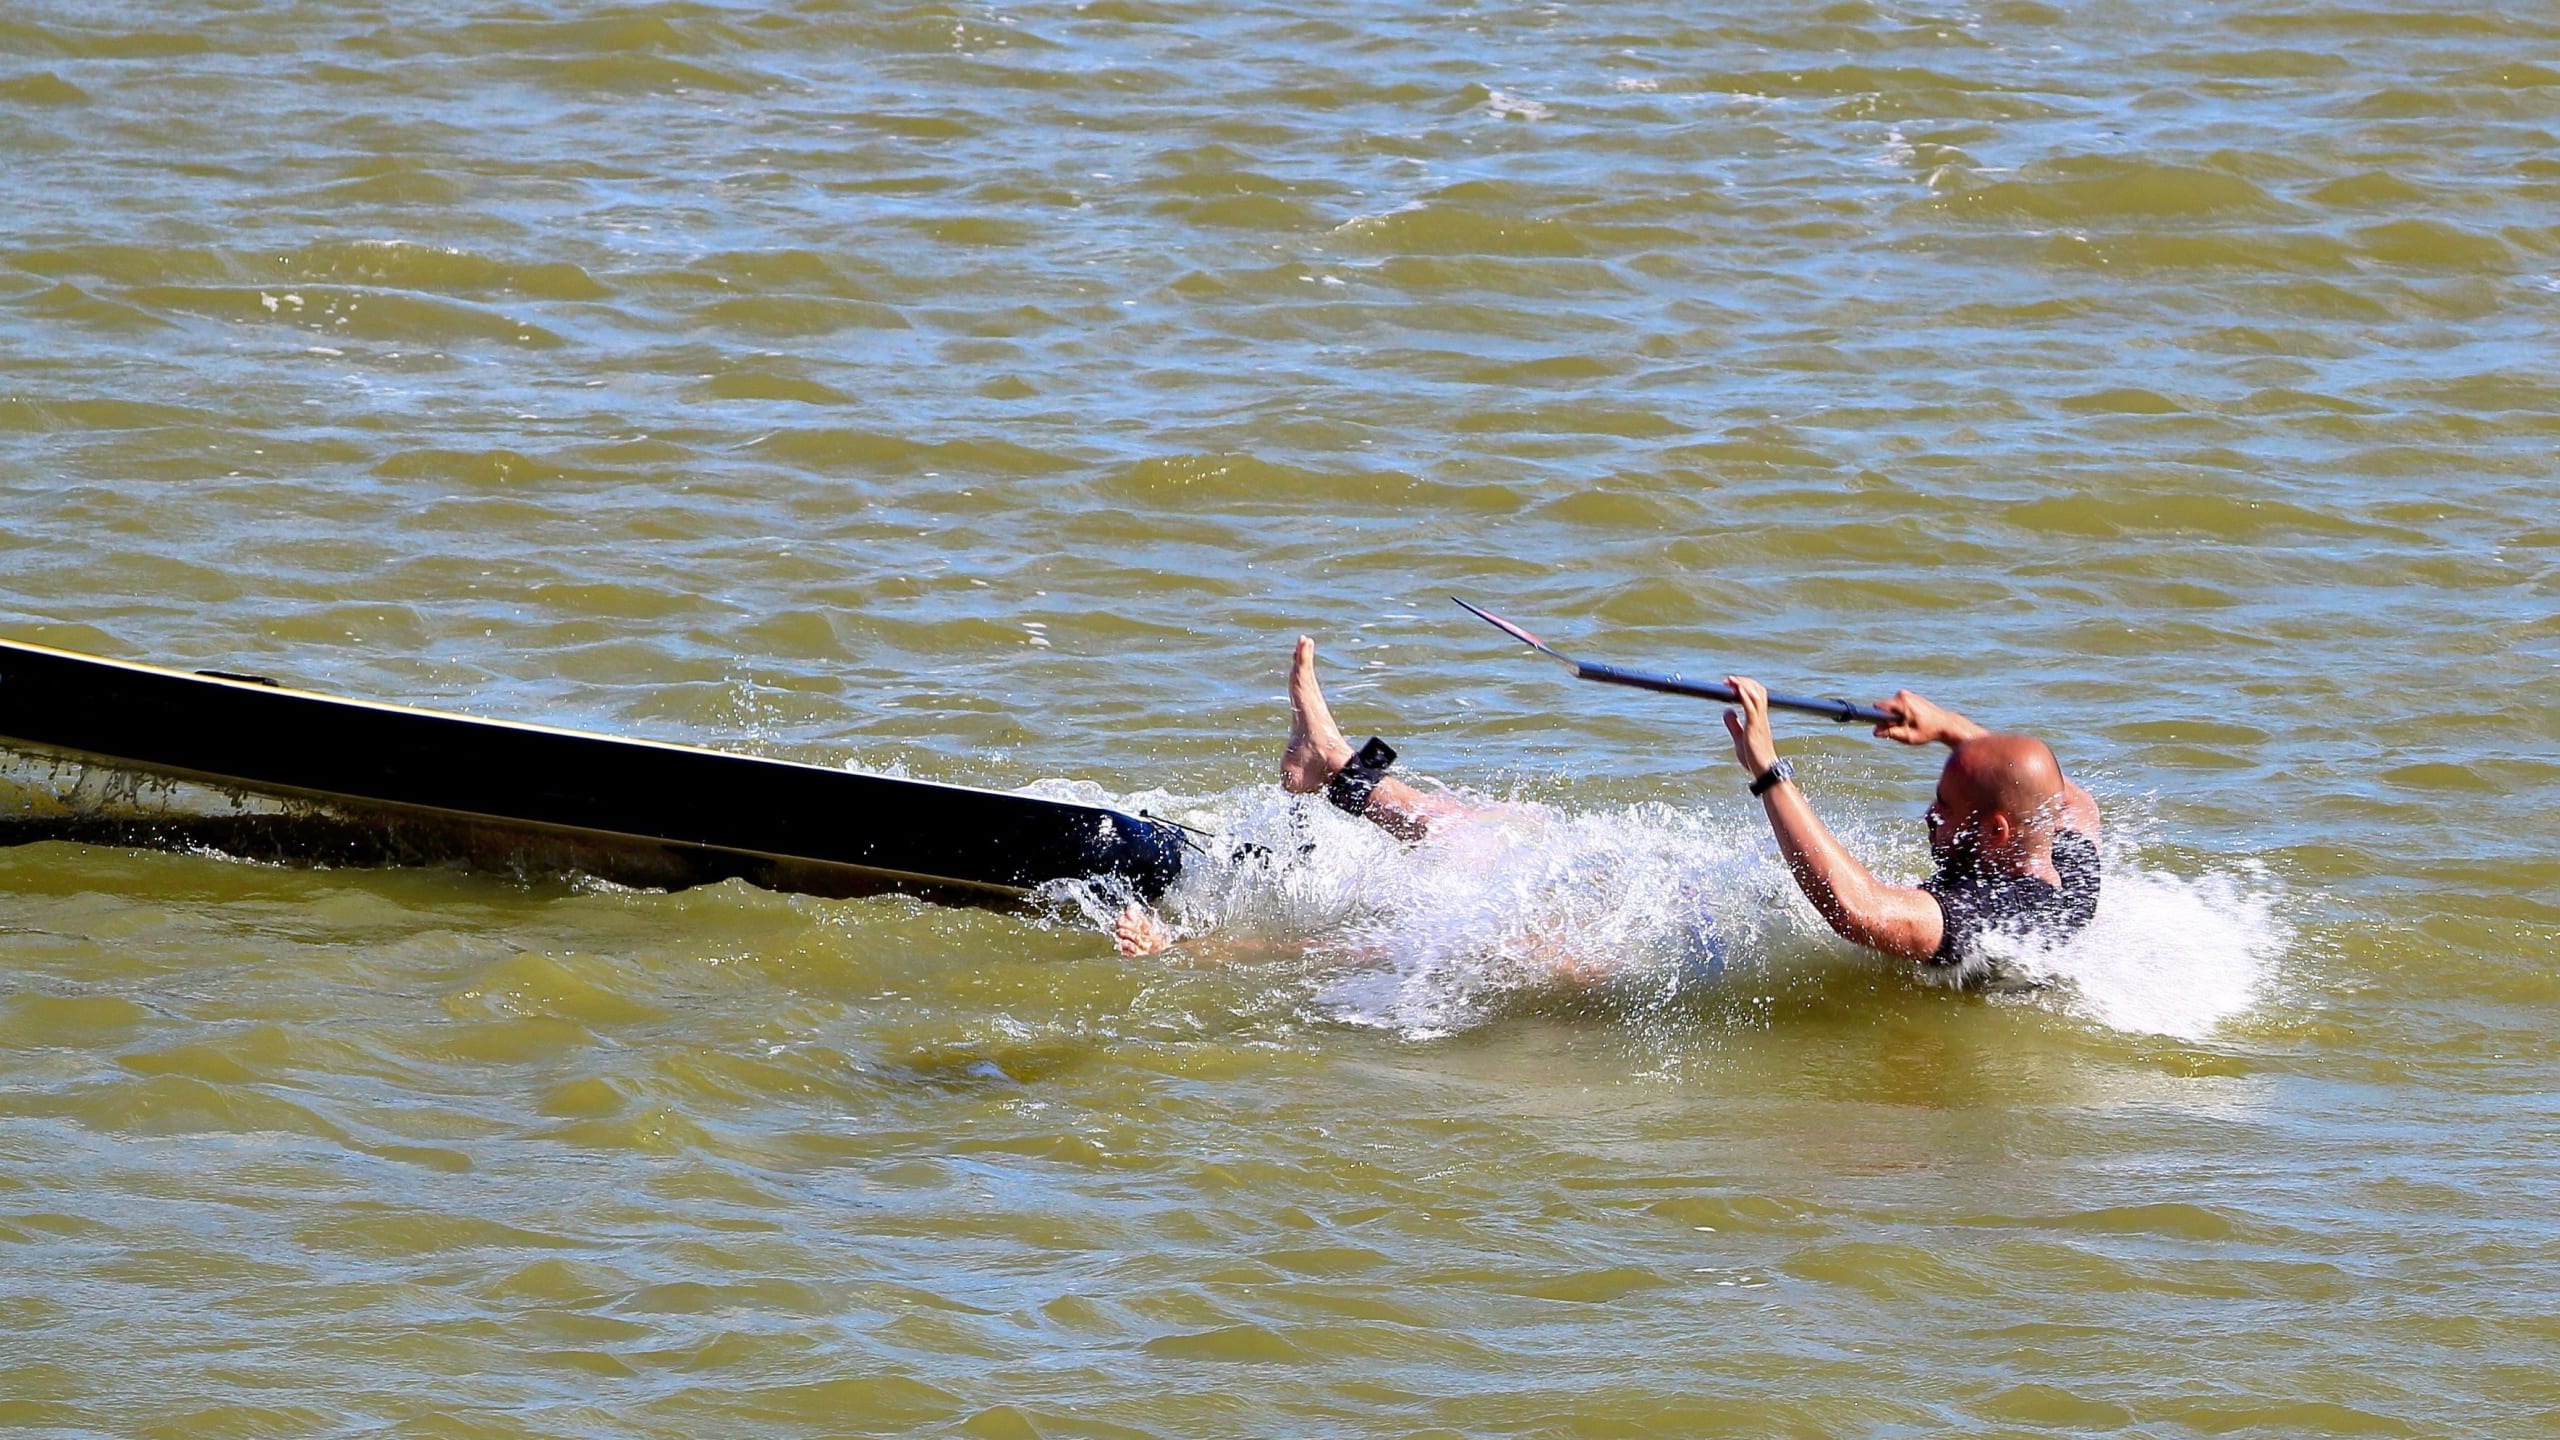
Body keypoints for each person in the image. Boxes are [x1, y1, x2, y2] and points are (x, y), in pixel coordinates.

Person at [1114, 637, 2101, 981]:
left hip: (1706, 973)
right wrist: (1947, 731)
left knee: (1480, 942)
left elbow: (1859, 911)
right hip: (1722, 913)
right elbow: (2070, 794)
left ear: (1996, 834)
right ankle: (1332, 768)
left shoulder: (1994, 918)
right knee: (1518, 840)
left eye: (1947, 806)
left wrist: (1768, 768)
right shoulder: (2062, 844)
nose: (1931, 817)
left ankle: (1201, 954)